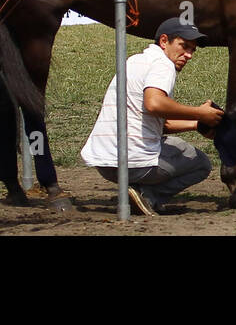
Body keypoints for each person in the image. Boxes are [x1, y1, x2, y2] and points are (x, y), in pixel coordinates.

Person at [80, 17, 225, 214]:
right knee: (200, 163)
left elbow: (159, 122)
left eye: (192, 50)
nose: (189, 54)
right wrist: (200, 112)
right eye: (184, 46)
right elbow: (154, 103)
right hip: (132, 163)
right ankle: (148, 196)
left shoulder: (136, 60)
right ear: (164, 41)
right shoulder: (163, 64)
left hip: (104, 162)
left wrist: (197, 124)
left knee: (177, 145)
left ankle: (138, 194)